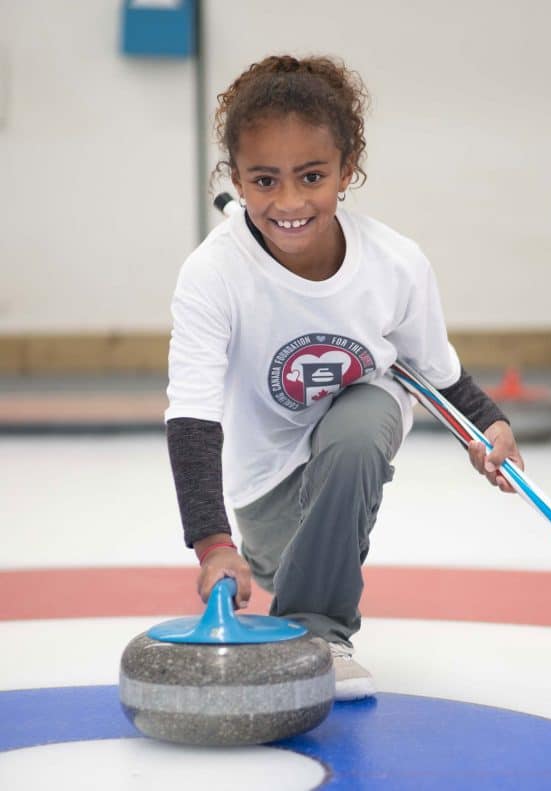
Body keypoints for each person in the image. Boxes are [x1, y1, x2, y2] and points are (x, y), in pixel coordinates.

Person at [165, 54, 523, 701]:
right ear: (236, 180)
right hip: (267, 491)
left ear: (347, 170)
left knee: (366, 414)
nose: (291, 201)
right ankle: (301, 594)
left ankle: (317, 631)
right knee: (287, 549)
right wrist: (214, 542)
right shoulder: (212, 274)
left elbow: (436, 373)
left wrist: (490, 423)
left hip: (350, 454)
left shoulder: (394, 265)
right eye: (265, 180)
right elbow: (192, 414)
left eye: (311, 176)